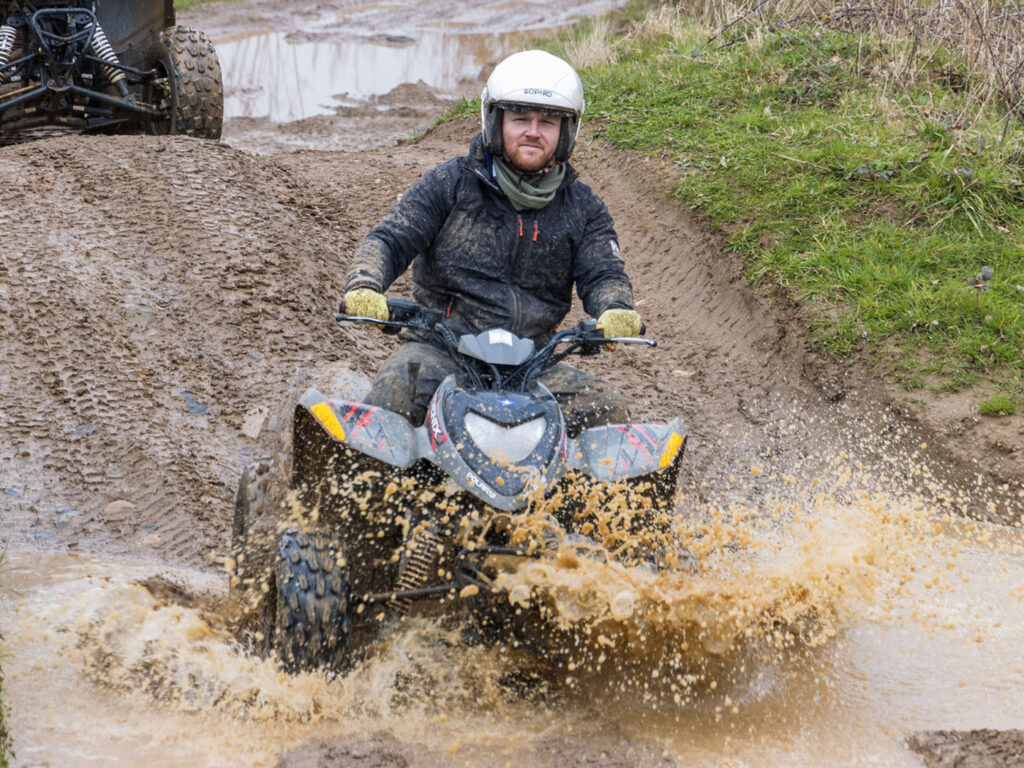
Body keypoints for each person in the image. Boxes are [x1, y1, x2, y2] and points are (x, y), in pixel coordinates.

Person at [342, 49, 642, 436]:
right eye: (521, 118)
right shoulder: (450, 184)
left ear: (567, 132)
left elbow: (604, 273)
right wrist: (365, 283)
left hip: (535, 361)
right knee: (391, 402)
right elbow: (389, 240)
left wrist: (615, 309)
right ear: (495, 121)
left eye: (547, 122)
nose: (533, 130)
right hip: (441, 348)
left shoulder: (584, 207)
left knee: (608, 412)